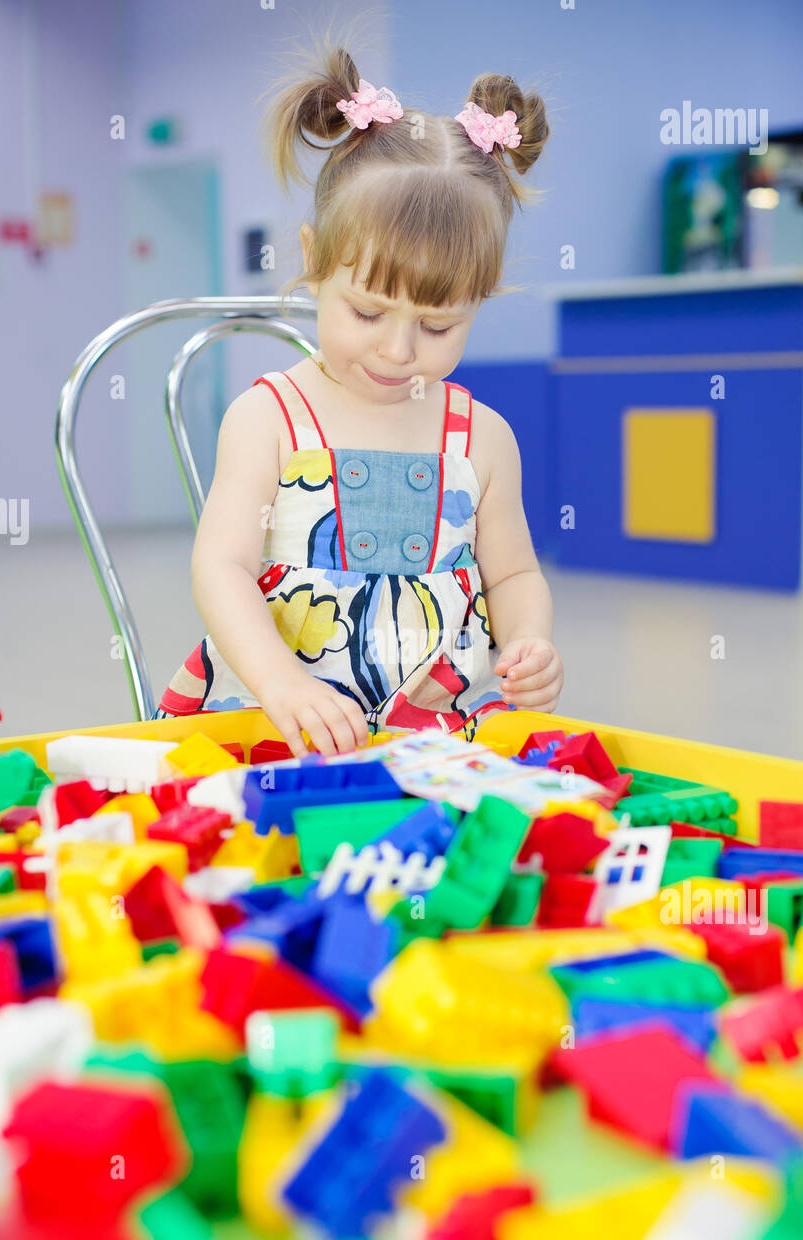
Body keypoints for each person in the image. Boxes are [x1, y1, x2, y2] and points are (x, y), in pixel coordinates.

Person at [156, 44, 563, 759]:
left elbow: (513, 573)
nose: (399, 351)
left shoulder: (482, 437)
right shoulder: (268, 420)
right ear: (314, 263)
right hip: (280, 722)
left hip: (443, 731)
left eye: (438, 325)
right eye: (368, 313)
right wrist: (281, 683)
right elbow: (220, 567)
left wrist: (529, 642)